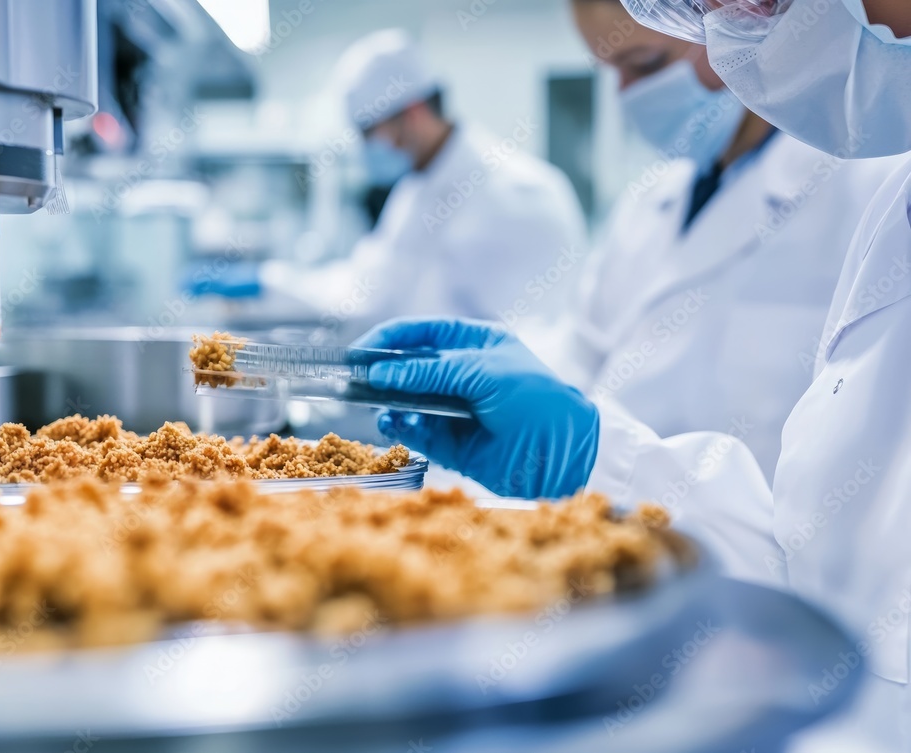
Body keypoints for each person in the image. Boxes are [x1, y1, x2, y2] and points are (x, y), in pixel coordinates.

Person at [354, 0, 911, 747]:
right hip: (712, 634)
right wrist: (587, 447)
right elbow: (813, 559)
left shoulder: (859, 183)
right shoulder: (877, 208)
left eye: (647, 62)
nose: (737, 16)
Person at [525, 0, 901, 481]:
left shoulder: (868, 184)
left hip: (764, 539)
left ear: (732, 24)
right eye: (611, 71)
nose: (628, 95)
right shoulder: (648, 204)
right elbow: (583, 356)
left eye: (645, 63)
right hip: (620, 514)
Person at [264, 29, 588, 338]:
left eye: (369, 133)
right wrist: (272, 281)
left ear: (414, 113)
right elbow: (369, 289)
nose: (367, 150)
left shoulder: (519, 195)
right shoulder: (414, 188)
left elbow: (532, 340)